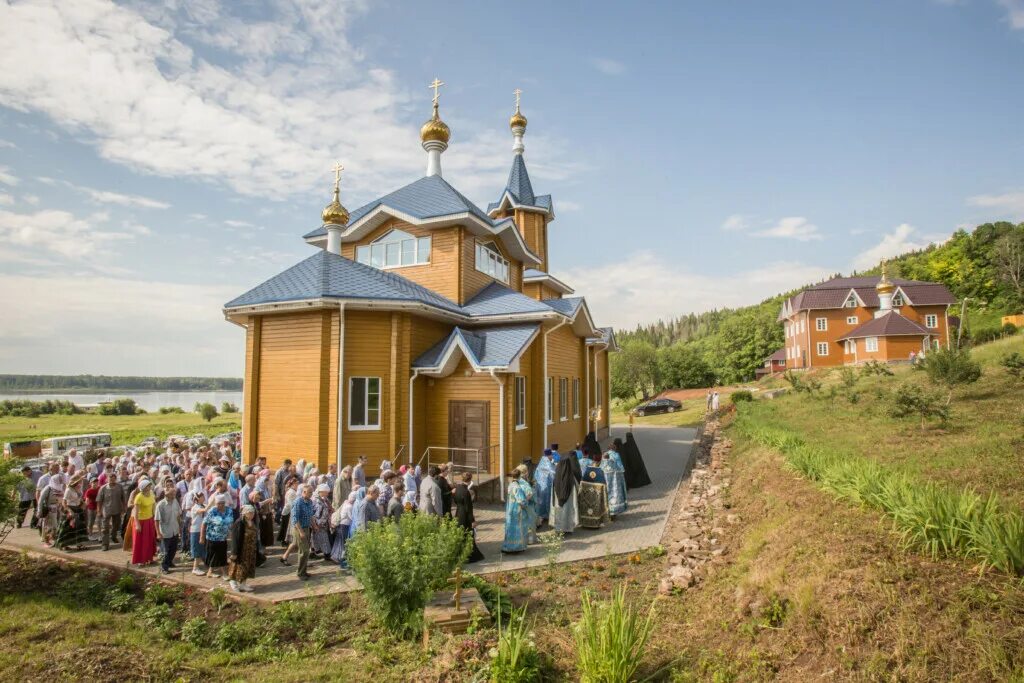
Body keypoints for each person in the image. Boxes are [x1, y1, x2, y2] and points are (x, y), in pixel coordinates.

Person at [228, 505, 260, 593]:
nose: (252, 514)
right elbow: (235, 538)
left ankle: (243, 584)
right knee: (237, 567)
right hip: (241, 550)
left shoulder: (251, 522)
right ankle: (233, 582)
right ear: (245, 513)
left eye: (253, 512)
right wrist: (234, 552)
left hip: (250, 550)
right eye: (250, 512)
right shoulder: (239, 523)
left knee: (247, 567)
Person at [202, 494, 234, 580]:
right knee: (216, 555)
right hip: (212, 537)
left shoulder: (229, 510)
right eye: (218, 503)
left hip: (223, 537)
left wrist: (231, 533)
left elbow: (230, 522)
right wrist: (201, 537)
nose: (220, 505)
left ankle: (210, 572)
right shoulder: (212, 511)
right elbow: (204, 523)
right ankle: (224, 573)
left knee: (220, 555)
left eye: (222, 503)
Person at [453, 472, 484, 562]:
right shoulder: (466, 492)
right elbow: (469, 508)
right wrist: (472, 521)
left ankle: (459, 553)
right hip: (465, 515)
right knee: (468, 534)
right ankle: (469, 555)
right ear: (470, 480)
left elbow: (455, 500)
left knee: (460, 533)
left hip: (458, 513)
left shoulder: (457, 488)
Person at [154, 480, 182, 574]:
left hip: (175, 529)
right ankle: (164, 567)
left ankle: (169, 562)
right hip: (165, 531)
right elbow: (157, 520)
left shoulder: (175, 502)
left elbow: (178, 515)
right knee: (164, 551)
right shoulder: (160, 505)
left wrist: (179, 527)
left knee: (173, 549)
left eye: (174, 493)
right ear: (166, 495)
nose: (174, 495)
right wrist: (158, 533)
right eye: (172, 494)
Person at [551, 448, 581, 534]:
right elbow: (577, 488)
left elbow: (553, 488)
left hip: (558, 500)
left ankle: (558, 528)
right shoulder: (571, 477)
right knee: (567, 512)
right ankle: (568, 528)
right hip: (569, 500)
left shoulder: (556, 475)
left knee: (559, 512)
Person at [56, 474, 88, 551]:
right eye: (79, 481)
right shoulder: (68, 490)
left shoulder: (78, 488)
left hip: (78, 509)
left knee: (80, 528)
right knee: (67, 528)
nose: (80, 482)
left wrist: (83, 503)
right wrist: (69, 511)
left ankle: (79, 544)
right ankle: (63, 545)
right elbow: (64, 502)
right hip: (70, 509)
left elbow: (79, 498)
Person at [130, 479, 158, 565]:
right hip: (141, 521)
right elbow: (135, 512)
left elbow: (154, 507)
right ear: (144, 487)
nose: (150, 487)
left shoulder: (151, 494)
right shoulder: (139, 497)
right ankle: (140, 560)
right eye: (148, 486)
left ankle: (149, 558)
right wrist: (137, 524)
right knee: (141, 541)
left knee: (150, 540)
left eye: (150, 485)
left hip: (149, 520)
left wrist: (155, 519)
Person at [578, 453, 610, 529]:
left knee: (586, 507)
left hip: (587, 495)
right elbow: (604, 486)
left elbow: (582, 483)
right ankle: (595, 524)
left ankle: (585, 523)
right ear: (599, 461)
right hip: (597, 496)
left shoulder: (587, 470)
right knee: (596, 507)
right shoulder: (600, 472)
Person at [501, 470, 530, 553]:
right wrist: (526, 501)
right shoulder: (518, 487)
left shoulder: (510, 485)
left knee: (510, 528)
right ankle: (517, 547)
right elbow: (521, 501)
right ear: (519, 476)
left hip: (510, 510)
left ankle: (508, 546)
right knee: (518, 528)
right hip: (517, 511)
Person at [291, 484, 315, 580]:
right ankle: (300, 573)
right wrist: (301, 532)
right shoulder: (298, 502)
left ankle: (304, 571)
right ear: (304, 492)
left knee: (306, 551)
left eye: (312, 492)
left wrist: (314, 525)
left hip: (307, 528)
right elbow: (295, 519)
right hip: (299, 529)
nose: (311, 494)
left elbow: (311, 515)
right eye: (310, 492)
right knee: (303, 551)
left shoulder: (309, 501)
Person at [97, 471, 125, 551]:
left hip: (117, 509)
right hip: (106, 510)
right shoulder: (103, 488)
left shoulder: (119, 487)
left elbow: (123, 498)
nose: (112, 480)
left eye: (113, 479)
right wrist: (99, 511)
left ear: (115, 479)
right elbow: (99, 501)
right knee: (105, 528)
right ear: (107, 479)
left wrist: (124, 508)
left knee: (116, 525)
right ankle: (105, 544)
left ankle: (113, 535)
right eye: (110, 479)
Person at [331, 490, 357, 568]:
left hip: (342, 525)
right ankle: (339, 559)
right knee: (343, 543)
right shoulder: (349, 506)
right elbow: (351, 517)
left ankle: (336, 557)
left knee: (339, 542)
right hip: (344, 526)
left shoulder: (346, 503)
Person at [602, 445, 627, 516]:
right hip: (614, 479)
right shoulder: (616, 455)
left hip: (605, 480)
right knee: (615, 494)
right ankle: (614, 510)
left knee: (607, 493)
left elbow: (601, 467)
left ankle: (606, 510)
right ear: (614, 448)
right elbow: (620, 467)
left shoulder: (604, 455)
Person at [533, 451, 556, 527]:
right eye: (551, 455)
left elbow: (535, 474)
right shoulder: (548, 463)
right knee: (547, 501)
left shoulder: (541, 461)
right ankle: (547, 516)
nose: (552, 456)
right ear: (549, 455)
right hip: (547, 488)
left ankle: (540, 516)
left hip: (540, 487)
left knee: (540, 501)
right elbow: (553, 474)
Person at [311, 483, 333, 559]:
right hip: (318, 523)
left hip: (324, 522)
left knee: (318, 538)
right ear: (321, 492)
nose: (328, 493)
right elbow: (313, 513)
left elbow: (329, 508)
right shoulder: (315, 500)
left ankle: (314, 551)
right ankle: (326, 554)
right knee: (322, 538)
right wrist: (315, 524)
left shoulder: (324, 499)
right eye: (326, 492)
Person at [189, 491, 208, 576]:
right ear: (197, 498)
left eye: (203, 496)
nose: (204, 498)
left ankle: (205, 563)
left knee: (202, 548)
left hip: (203, 530)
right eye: (202, 497)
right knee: (197, 549)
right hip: (196, 530)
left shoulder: (203, 505)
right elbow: (204, 510)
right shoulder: (195, 507)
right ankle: (195, 568)